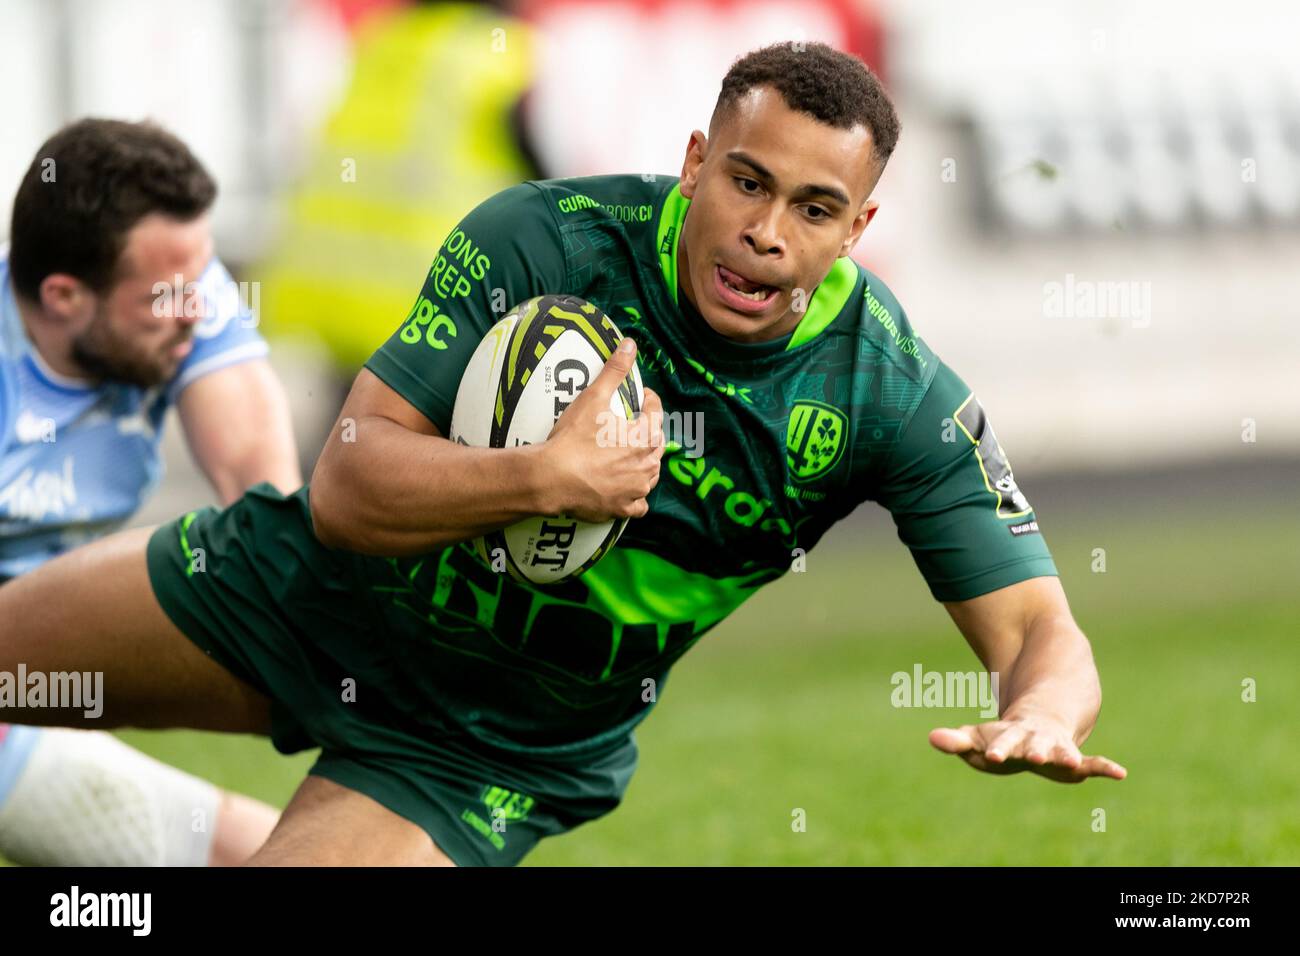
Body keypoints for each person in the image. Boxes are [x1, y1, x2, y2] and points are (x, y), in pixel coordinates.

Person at [0, 44, 1125, 868]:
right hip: (304, 595)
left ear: (856, 229)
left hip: (484, 748)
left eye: (814, 206)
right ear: (695, 162)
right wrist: (542, 480)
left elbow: (1041, 630)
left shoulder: (887, 393)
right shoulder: (545, 237)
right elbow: (346, 485)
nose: (767, 230)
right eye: (746, 180)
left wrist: (1041, 712)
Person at [0, 118, 301, 865]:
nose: (197, 311)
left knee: (272, 856)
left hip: (30, 670)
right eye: (169, 294)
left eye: (202, 279)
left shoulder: (184, 293)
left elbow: (270, 511)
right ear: (65, 297)